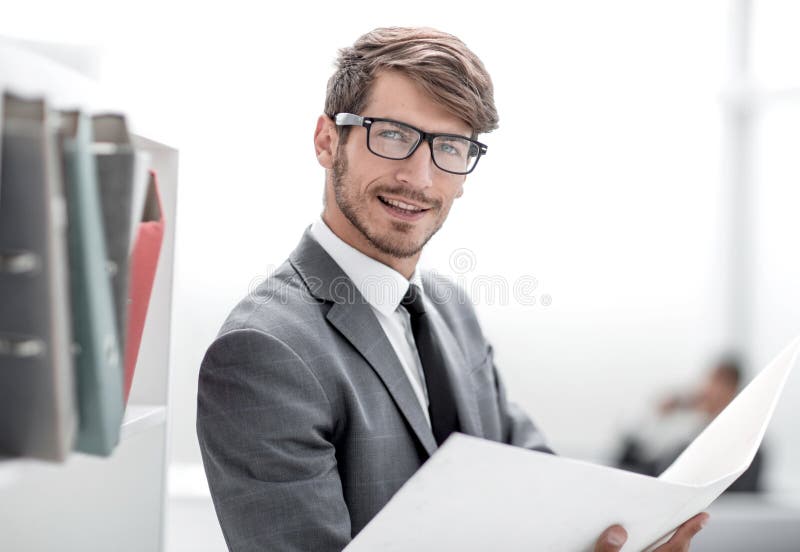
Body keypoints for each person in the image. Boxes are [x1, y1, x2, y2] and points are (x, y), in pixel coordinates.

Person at [196, 26, 708, 552]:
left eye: (449, 146)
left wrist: (627, 534)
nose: (419, 178)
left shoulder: (450, 308)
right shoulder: (262, 350)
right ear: (328, 141)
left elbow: (534, 478)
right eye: (393, 134)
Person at [617, 355, 763, 492]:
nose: (706, 389)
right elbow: (636, 465)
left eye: (715, 382)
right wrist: (656, 416)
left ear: (732, 391)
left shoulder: (745, 445)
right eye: (708, 381)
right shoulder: (692, 436)